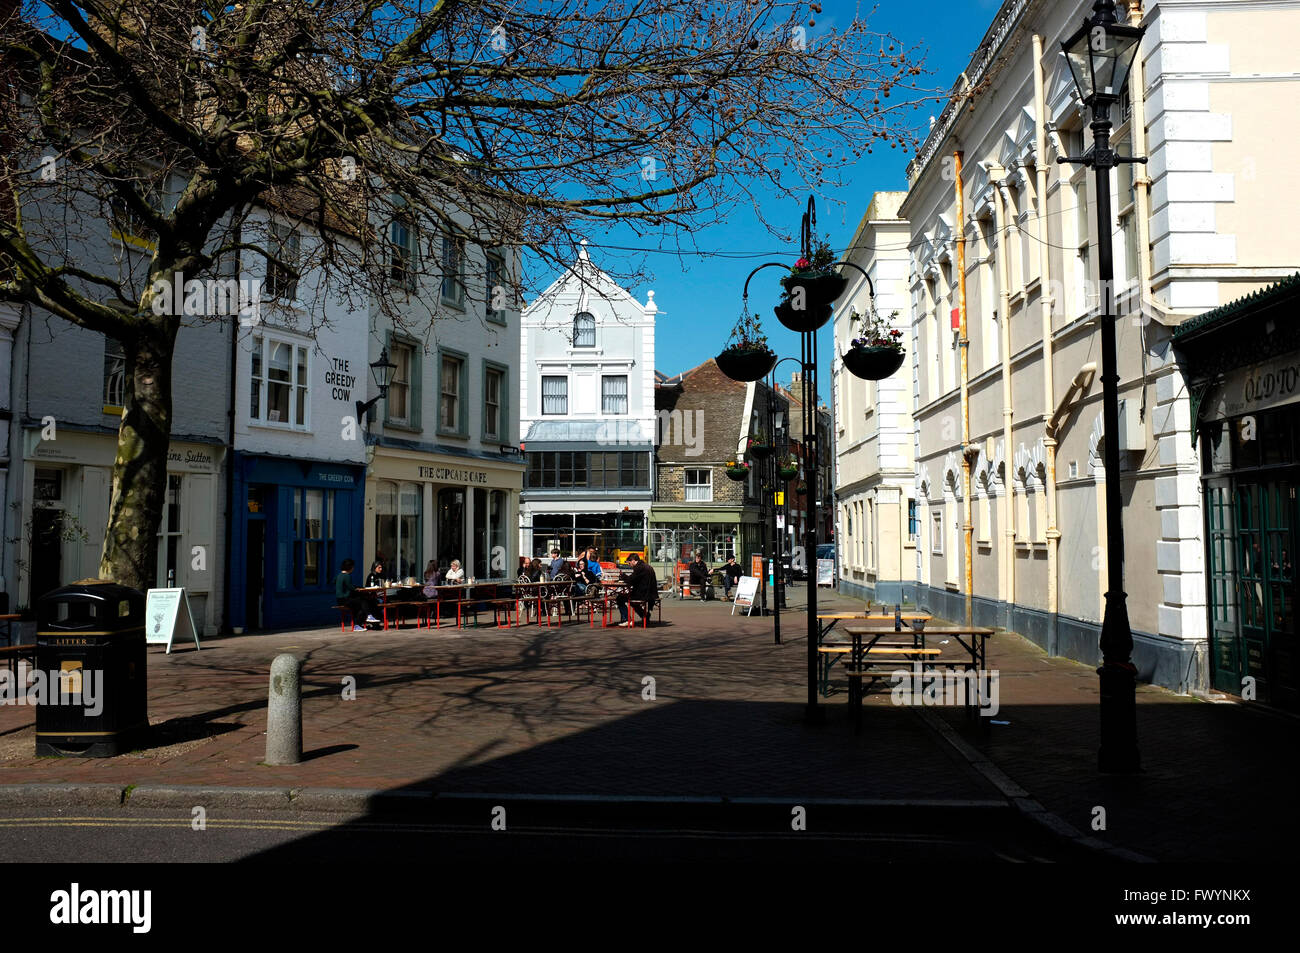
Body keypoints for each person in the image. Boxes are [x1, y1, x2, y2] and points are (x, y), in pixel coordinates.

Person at [335, 559, 380, 630]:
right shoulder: (347, 576)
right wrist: (357, 589)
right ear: (349, 567)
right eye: (353, 567)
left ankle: (357, 625)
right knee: (363, 601)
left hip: (339, 600)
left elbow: (340, 583)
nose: (353, 568)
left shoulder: (339, 575)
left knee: (360, 606)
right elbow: (351, 587)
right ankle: (368, 616)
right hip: (345, 600)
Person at [615, 553, 658, 627]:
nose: (629, 565)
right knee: (632, 601)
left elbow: (630, 580)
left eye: (629, 563)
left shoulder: (639, 568)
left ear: (633, 560)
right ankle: (644, 616)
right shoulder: (646, 566)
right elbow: (635, 580)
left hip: (644, 594)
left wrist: (623, 576)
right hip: (651, 593)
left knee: (620, 598)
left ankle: (627, 619)